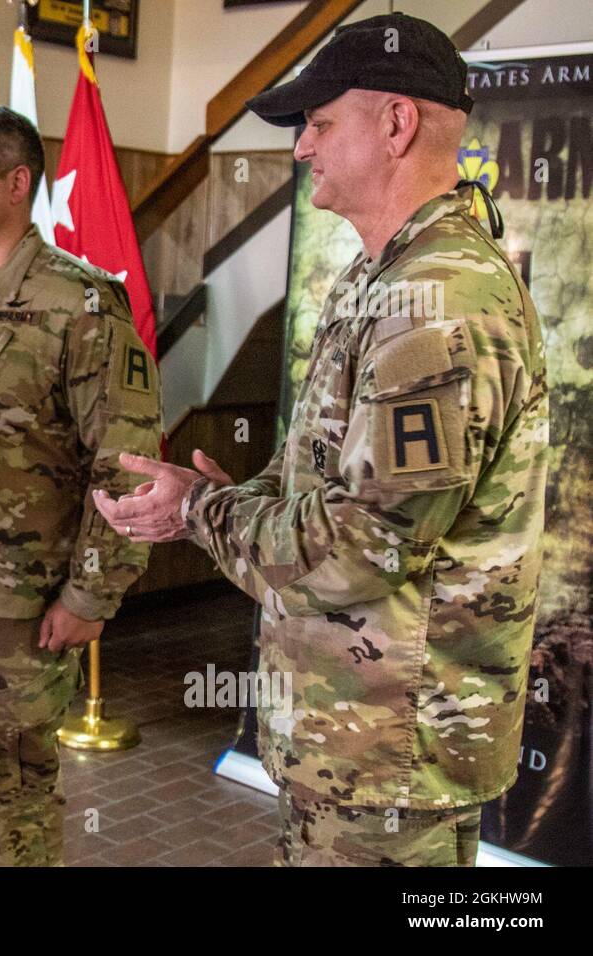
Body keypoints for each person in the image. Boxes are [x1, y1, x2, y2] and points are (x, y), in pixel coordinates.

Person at [94, 13, 548, 867]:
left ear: (397, 123)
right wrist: (229, 498)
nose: (303, 148)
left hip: (391, 754)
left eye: (320, 121)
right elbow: (324, 474)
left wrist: (201, 511)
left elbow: (364, 547)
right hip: (354, 736)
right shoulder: (384, 276)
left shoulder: (438, 305)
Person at [0, 105, 163, 866]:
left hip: (20, 608)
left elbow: (125, 460)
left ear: (18, 183)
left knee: (14, 801)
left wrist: (91, 594)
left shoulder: (80, 304)